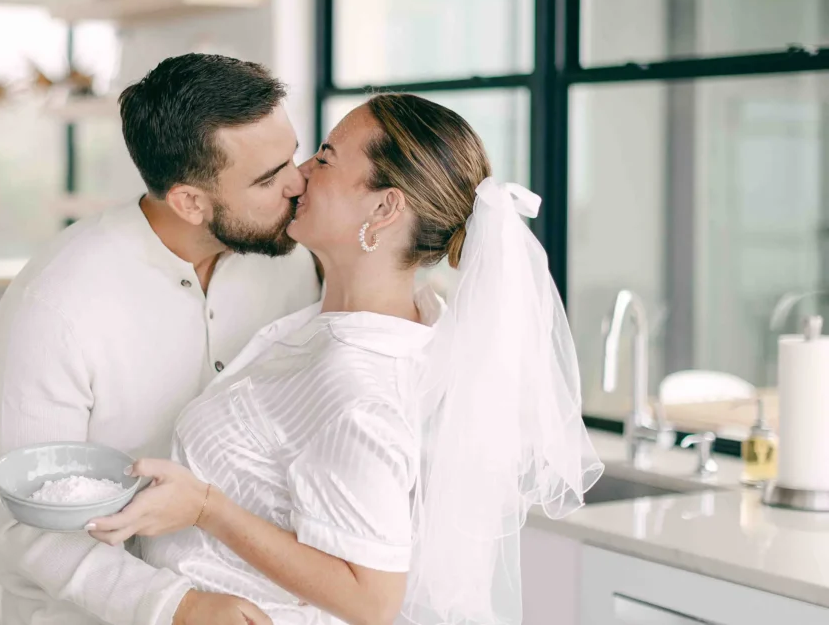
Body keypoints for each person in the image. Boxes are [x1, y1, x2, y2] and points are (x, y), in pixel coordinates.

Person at [86, 94, 603, 625]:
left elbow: (371, 601)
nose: (301, 174)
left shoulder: (362, 386)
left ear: (384, 208)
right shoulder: (405, 321)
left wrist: (205, 507)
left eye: (327, 158)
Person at [0, 54, 322, 625]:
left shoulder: (293, 260)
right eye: (267, 177)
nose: (297, 183)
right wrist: (176, 607)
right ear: (189, 201)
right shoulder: (57, 302)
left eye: (292, 155)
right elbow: (28, 524)